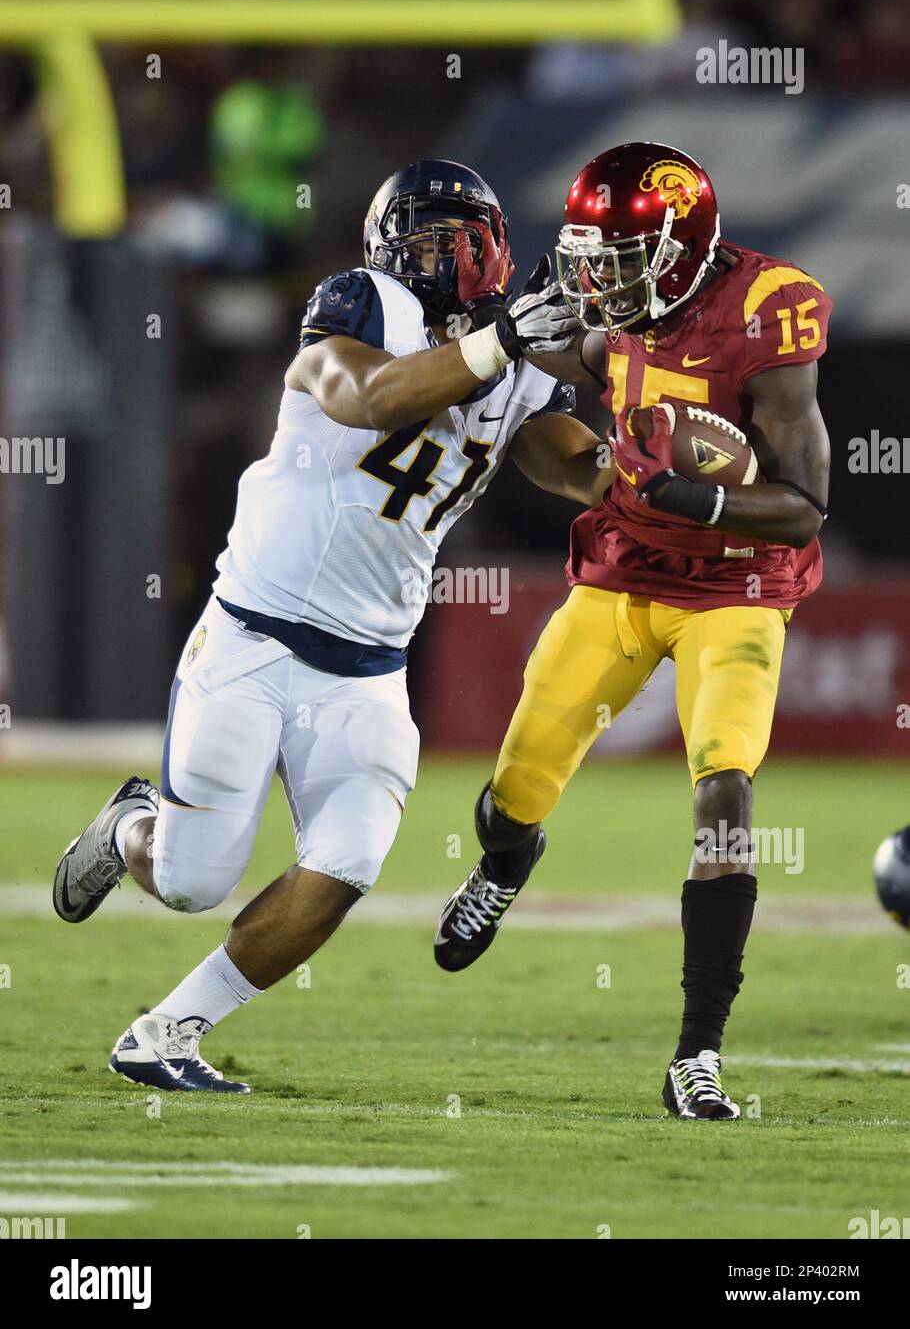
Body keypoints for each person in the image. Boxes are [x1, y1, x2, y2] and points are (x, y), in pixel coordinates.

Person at [53, 159, 608, 1093]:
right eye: (429, 233)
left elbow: (579, 471)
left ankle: (168, 1032)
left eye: (465, 231)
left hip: (368, 670)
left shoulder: (514, 361)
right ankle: (128, 829)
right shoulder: (360, 302)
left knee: (345, 865)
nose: (451, 251)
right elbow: (372, 398)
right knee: (192, 882)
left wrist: (657, 444)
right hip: (254, 637)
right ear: (391, 247)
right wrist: (503, 341)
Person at [435, 141, 832, 1121]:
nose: (593, 278)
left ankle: (696, 1054)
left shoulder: (766, 313)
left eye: (615, 258)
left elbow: (803, 507)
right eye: (587, 254)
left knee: (725, 794)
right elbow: (575, 352)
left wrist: (688, 496)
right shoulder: (615, 313)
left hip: (736, 586)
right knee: (512, 791)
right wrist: (499, 335)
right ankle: (506, 862)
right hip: (621, 573)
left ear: (678, 249)